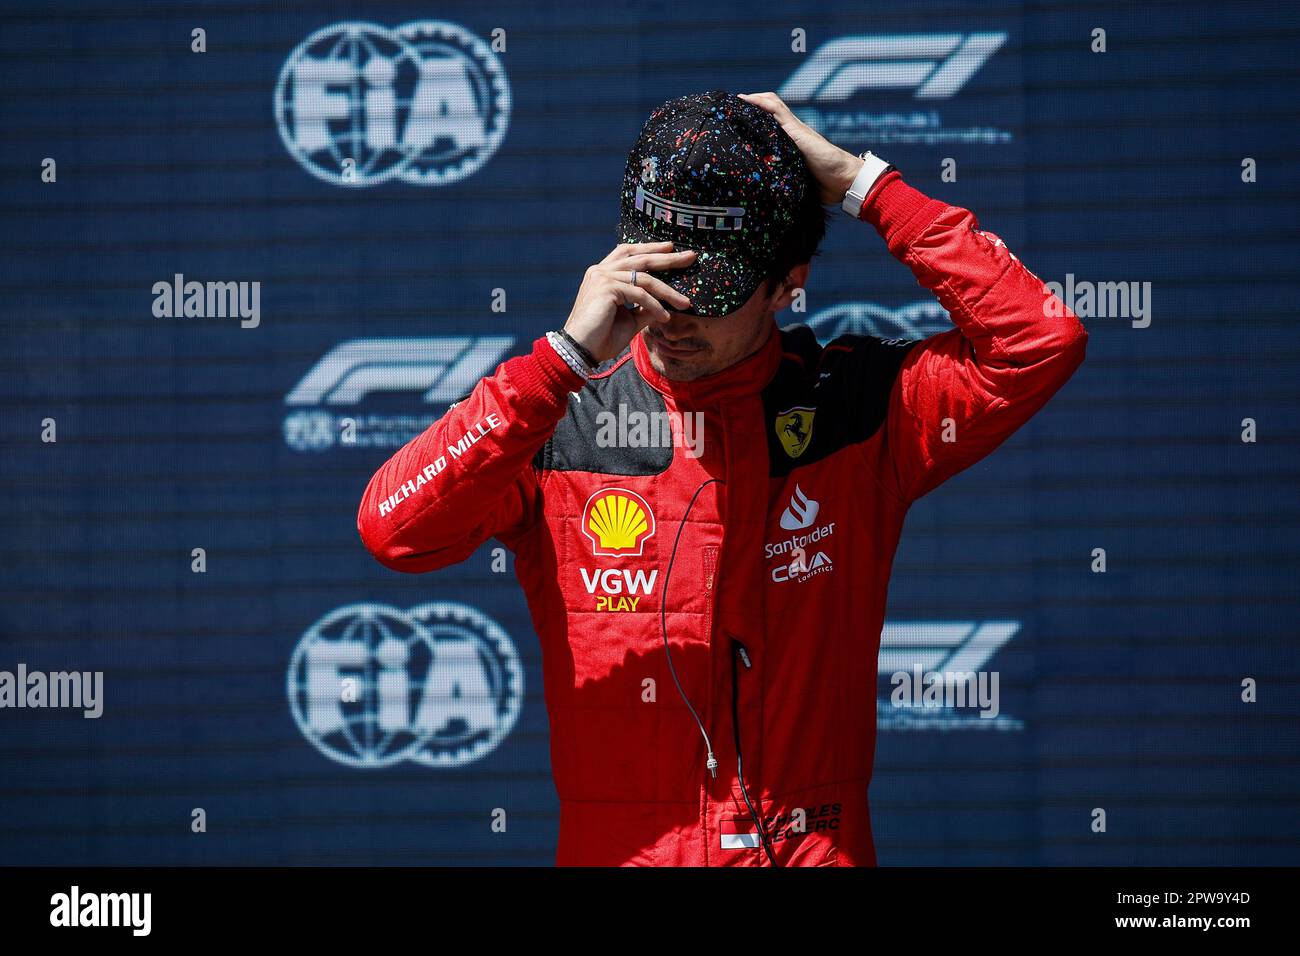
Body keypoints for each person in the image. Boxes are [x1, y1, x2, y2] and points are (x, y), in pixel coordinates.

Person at [357, 90, 1087, 866]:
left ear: (787, 283)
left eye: (709, 295)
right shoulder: (555, 419)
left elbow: (1039, 340)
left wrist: (862, 184)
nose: (675, 317)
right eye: (660, 281)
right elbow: (394, 531)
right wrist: (559, 360)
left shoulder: (861, 407)